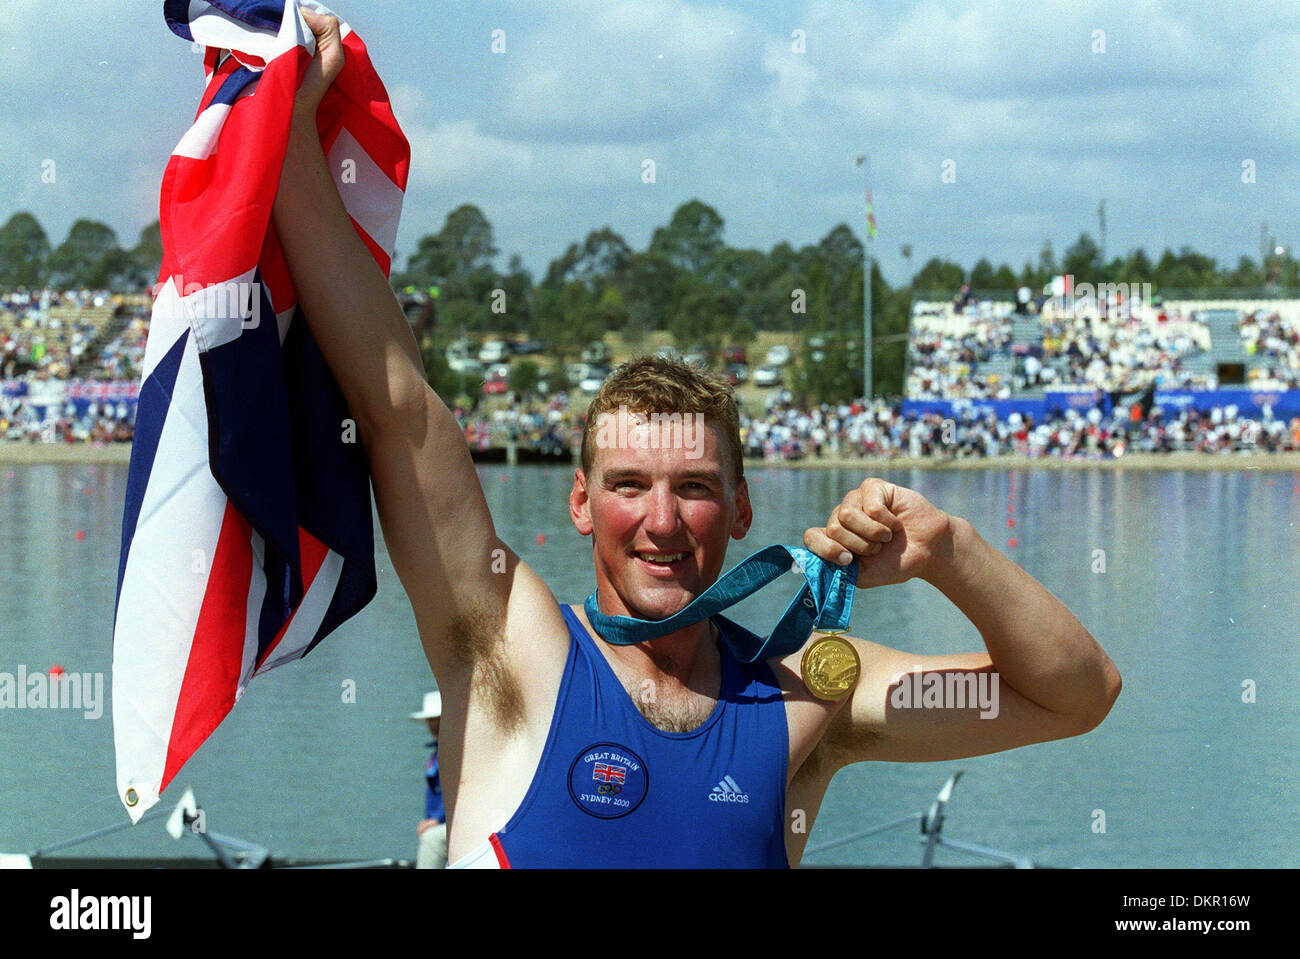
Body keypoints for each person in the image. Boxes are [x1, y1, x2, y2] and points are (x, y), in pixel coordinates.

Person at [272, 11, 1121, 868]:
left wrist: (950, 550)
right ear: (580, 502)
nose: (663, 520)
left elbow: (1077, 696)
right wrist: (288, 137)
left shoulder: (810, 692)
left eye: (697, 487)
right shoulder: (507, 648)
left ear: (744, 507)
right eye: (629, 483)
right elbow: (400, 411)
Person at [410, 691, 446, 869]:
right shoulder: (437, 753)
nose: (433, 724)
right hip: (444, 823)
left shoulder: (455, 751)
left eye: (438, 719)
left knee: (431, 838)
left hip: (451, 824)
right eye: (431, 720)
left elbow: (459, 790)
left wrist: (437, 819)